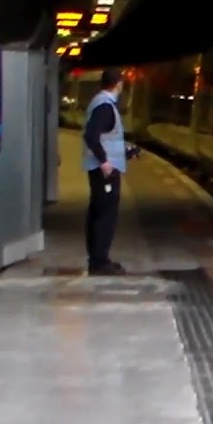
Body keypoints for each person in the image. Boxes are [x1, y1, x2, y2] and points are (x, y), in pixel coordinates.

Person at [82, 68, 130, 275]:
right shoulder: (105, 106)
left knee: (98, 212)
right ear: (118, 85)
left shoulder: (100, 103)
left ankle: (97, 259)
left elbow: (106, 138)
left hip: (102, 169)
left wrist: (127, 152)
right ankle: (99, 262)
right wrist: (104, 161)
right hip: (105, 172)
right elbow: (91, 136)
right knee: (105, 215)